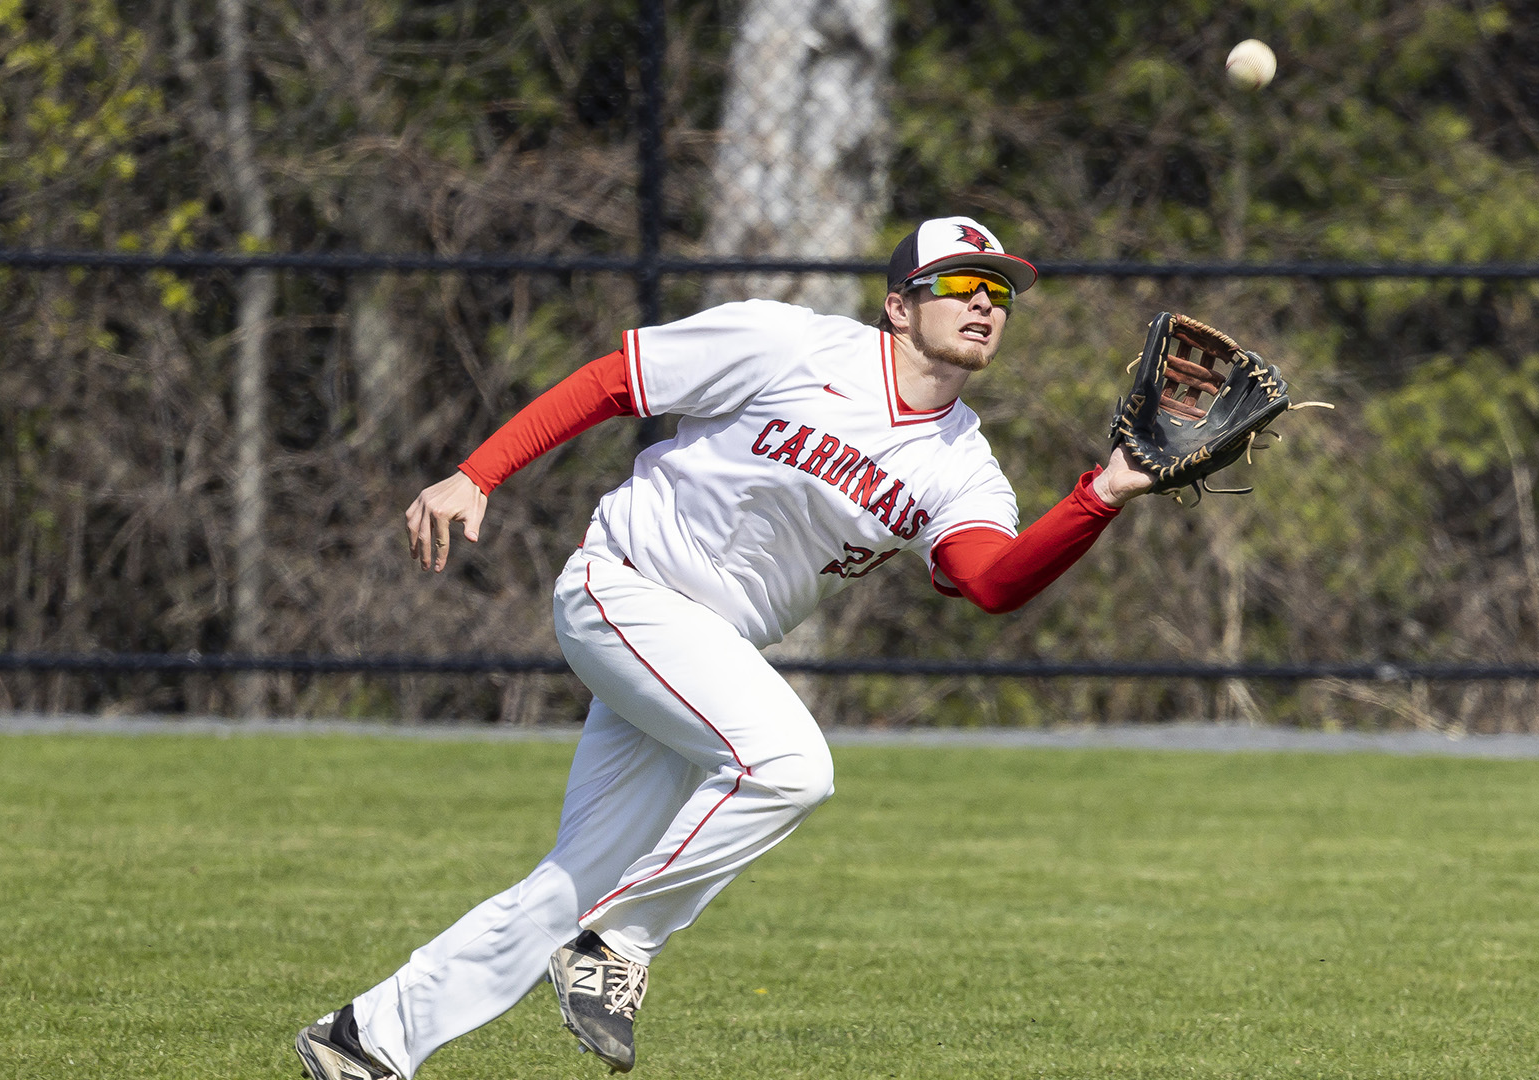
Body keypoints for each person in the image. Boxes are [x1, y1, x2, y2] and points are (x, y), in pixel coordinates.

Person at [293, 216, 1211, 1079]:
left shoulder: (962, 465)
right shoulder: (792, 345)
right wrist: (476, 473)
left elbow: (991, 580)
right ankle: (620, 945)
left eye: (1000, 291)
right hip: (624, 587)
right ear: (899, 305)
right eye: (960, 282)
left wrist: (1108, 489)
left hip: (704, 650)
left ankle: (365, 1040)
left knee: (573, 884)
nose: (983, 303)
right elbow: (616, 380)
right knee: (791, 765)